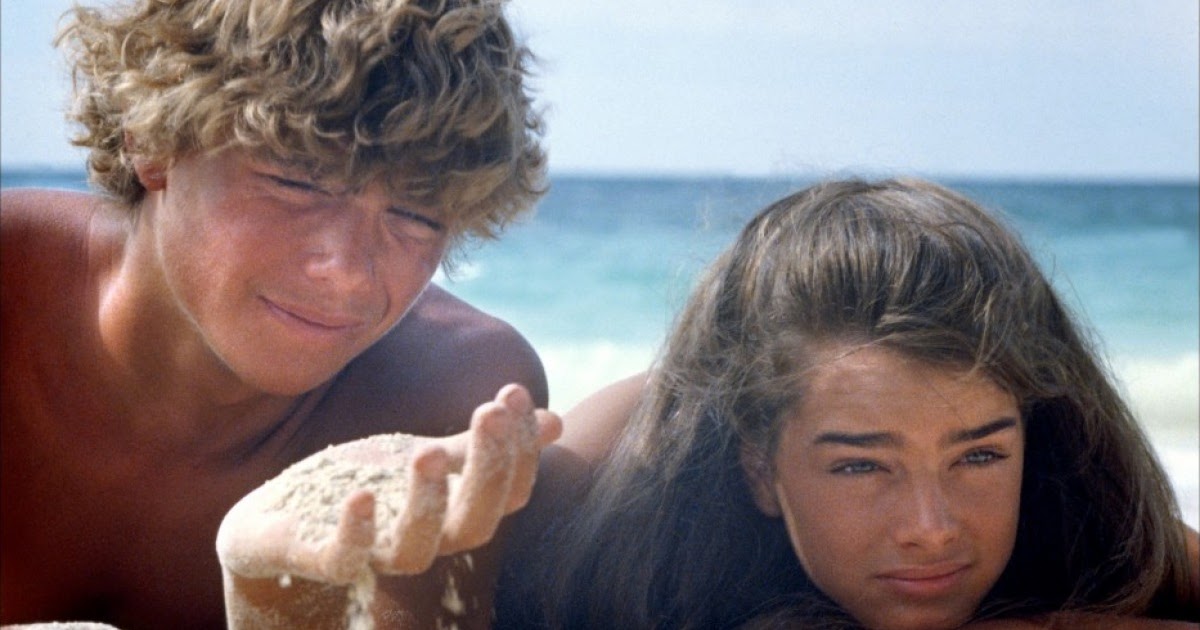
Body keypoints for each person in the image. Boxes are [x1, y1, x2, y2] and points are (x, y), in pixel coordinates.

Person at [0, 0, 562, 628]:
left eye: (417, 215)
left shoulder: (453, 404)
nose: (348, 270)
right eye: (296, 181)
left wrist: (273, 592)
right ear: (151, 139)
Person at [496, 179, 1200, 629]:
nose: (932, 528)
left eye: (980, 454)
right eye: (861, 466)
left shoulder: (1084, 515)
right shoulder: (617, 488)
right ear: (759, 468)